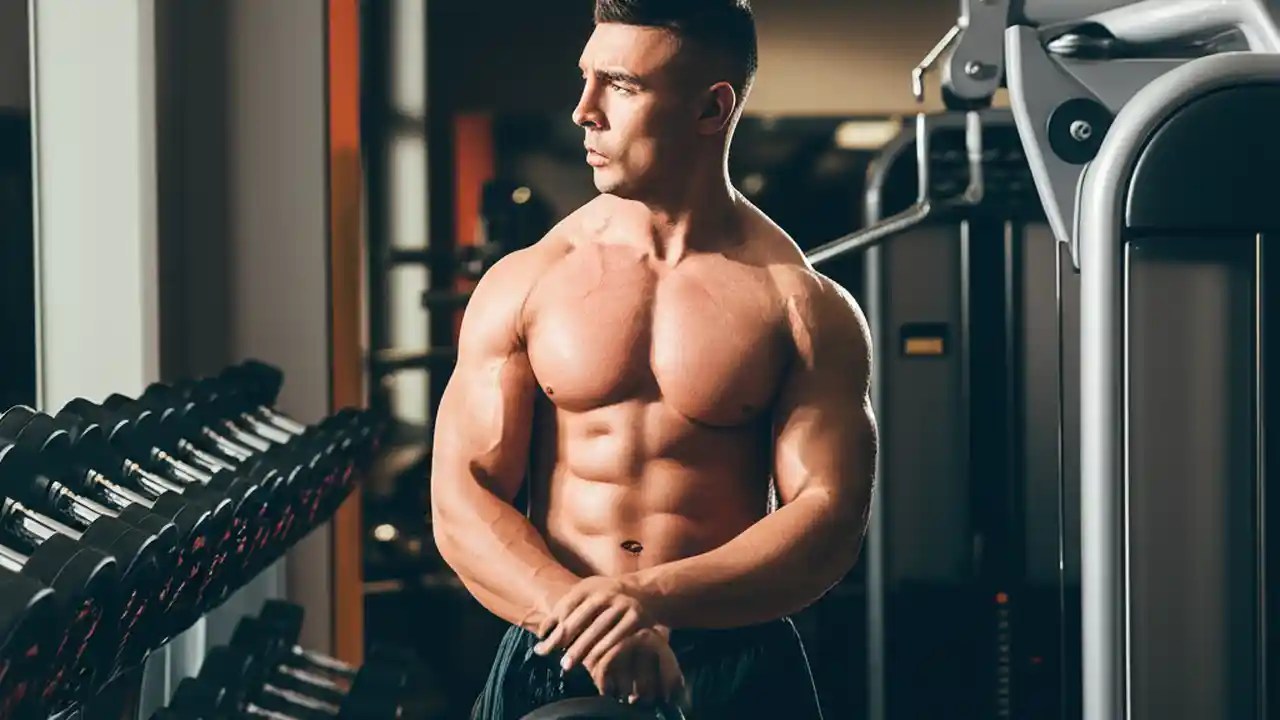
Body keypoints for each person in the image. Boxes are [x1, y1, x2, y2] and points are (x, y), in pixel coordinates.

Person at [430, 1, 877, 717]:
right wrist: (586, 621)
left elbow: (829, 518)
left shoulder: (799, 303)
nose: (583, 111)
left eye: (621, 85)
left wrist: (643, 598)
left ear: (711, 108)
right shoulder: (527, 281)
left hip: (729, 656)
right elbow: (461, 496)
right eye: (585, 79)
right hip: (554, 639)